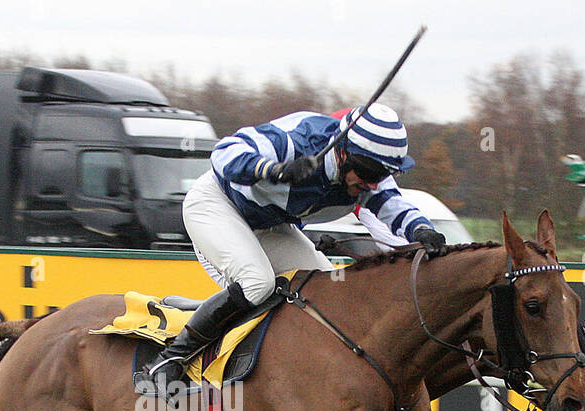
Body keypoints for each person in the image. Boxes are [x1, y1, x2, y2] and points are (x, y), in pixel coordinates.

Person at [137, 103, 444, 394]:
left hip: (268, 226)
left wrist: (422, 230)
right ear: (343, 152)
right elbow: (224, 152)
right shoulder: (301, 138)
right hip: (215, 205)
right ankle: (168, 360)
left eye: (383, 175)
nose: (374, 184)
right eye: (370, 173)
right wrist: (272, 169)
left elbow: (393, 206)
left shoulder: (366, 174)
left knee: (328, 294)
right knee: (258, 283)